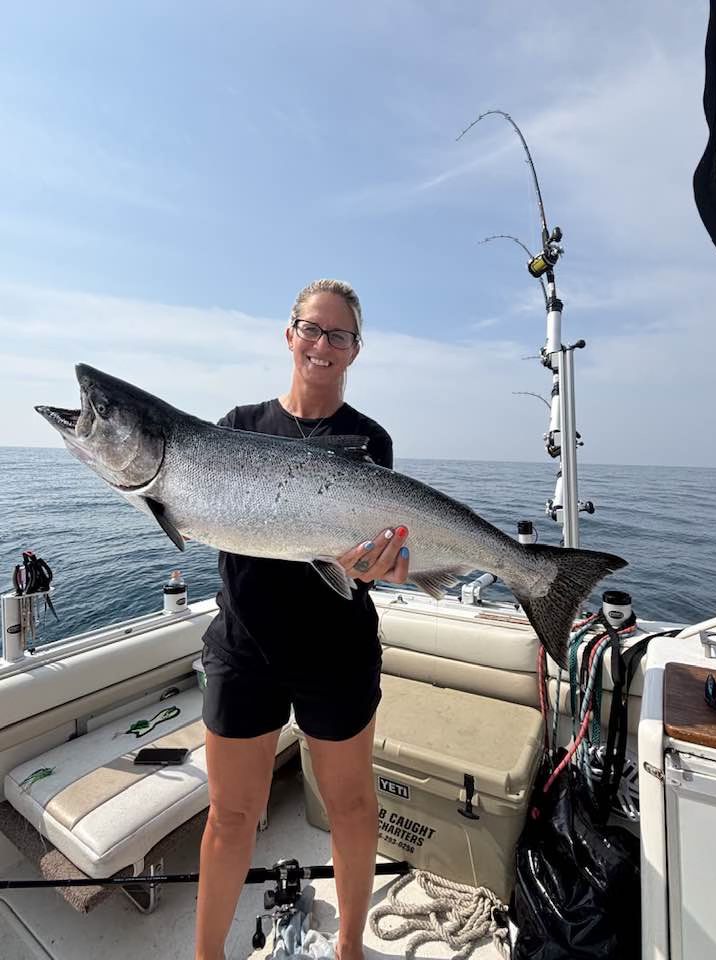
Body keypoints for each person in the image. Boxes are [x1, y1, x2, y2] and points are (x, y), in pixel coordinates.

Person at [195, 279, 410, 960]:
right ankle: (206, 955)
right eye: (311, 329)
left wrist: (392, 566)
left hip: (336, 650)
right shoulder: (236, 428)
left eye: (338, 335)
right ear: (289, 334)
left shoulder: (369, 440)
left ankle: (350, 945)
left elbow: (390, 555)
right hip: (244, 646)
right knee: (231, 815)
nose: (322, 345)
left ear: (354, 350)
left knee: (351, 807)